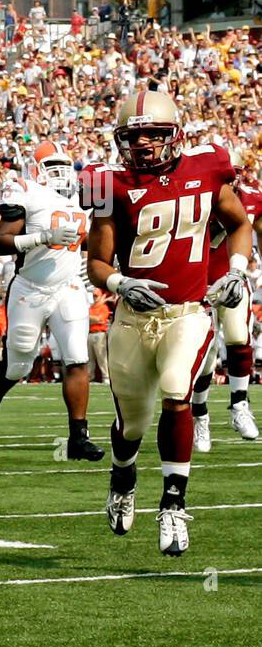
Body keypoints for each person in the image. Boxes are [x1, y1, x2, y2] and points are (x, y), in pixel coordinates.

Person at [84, 90, 253, 556]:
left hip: (187, 314)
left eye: (152, 135)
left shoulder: (207, 167)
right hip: (132, 319)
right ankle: (122, 477)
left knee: (179, 392)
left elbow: (240, 223)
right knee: (131, 424)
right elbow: (96, 261)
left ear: (175, 135)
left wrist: (237, 271)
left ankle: (174, 504)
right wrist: (119, 283)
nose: (142, 146)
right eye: (133, 137)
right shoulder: (109, 184)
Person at [0, 143, 104, 461]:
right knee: (18, 365)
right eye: (51, 164)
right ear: (36, 167)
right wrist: (43, 238)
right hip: (29, 288)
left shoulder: (84, 198)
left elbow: (94, 238)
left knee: (76, 358)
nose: (58, 171)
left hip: (68, 286)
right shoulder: (25, 190)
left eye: (63, 165)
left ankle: (79, 437)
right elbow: (1, 244)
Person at [190, 156, 262, 451]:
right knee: (204, 355)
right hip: (197, 282)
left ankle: (239, 405)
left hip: (232, 278)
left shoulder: (253, 198)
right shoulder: (196, 195)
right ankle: (199, 416)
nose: (231, 178)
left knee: (237, 336)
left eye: (235, 173)